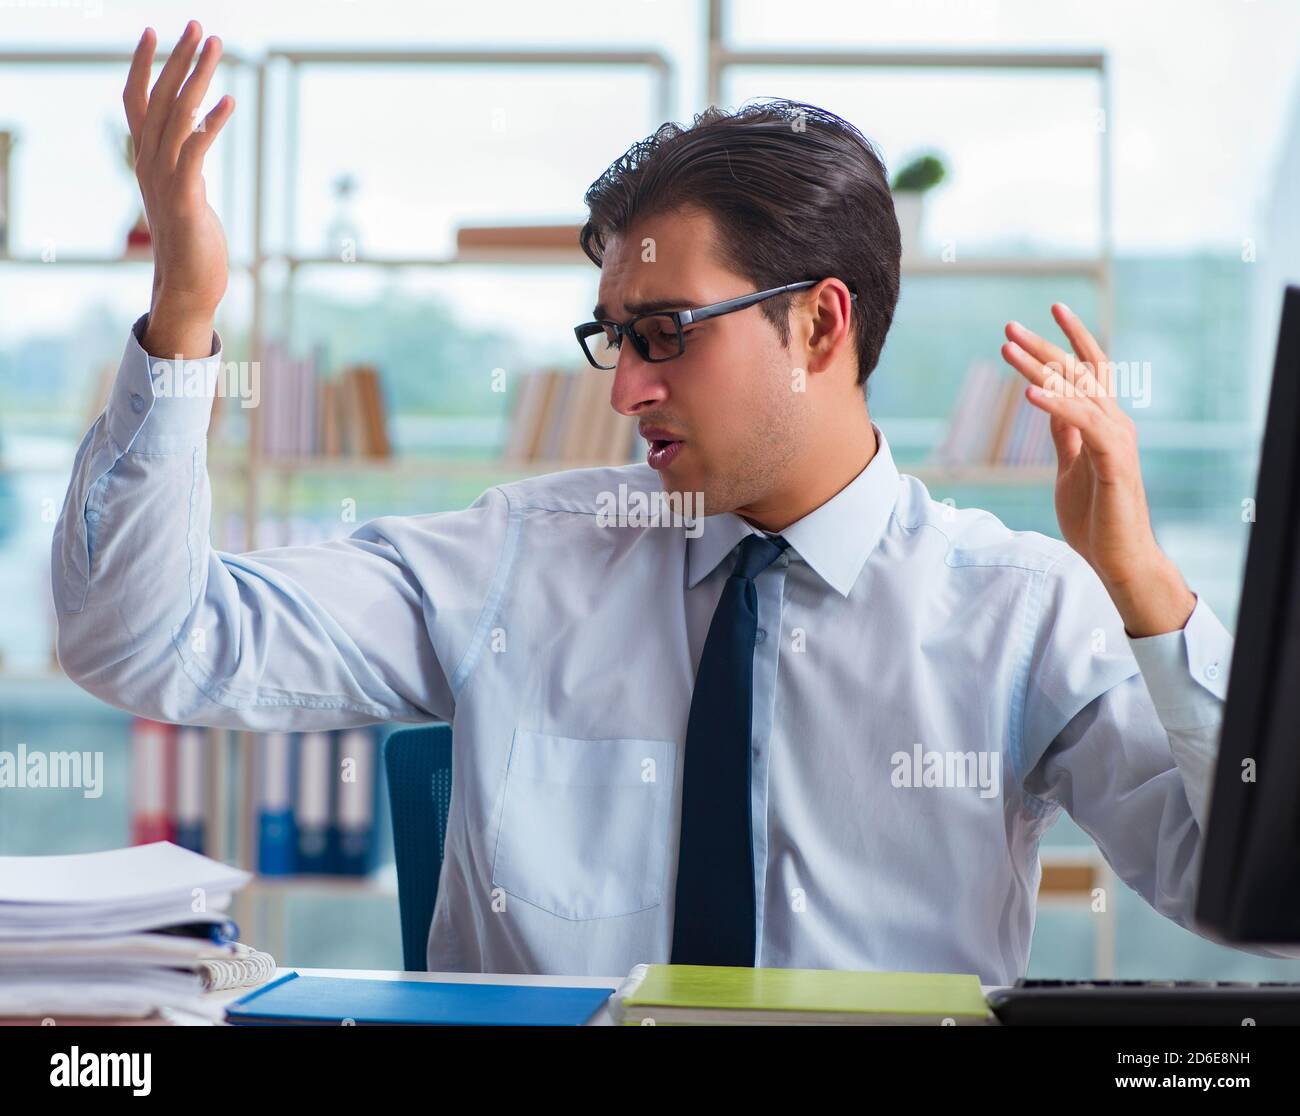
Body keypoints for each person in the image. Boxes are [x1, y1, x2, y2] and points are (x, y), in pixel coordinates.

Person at [51, 21, 1274, 981]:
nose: (627, 386)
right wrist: (184, 321)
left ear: (819, 321)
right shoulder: (519, 559)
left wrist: (1147, 595)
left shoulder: (1017, 612)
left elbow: (1257, 902)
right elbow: (146, 642)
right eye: (615, 340)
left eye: (665, 333)